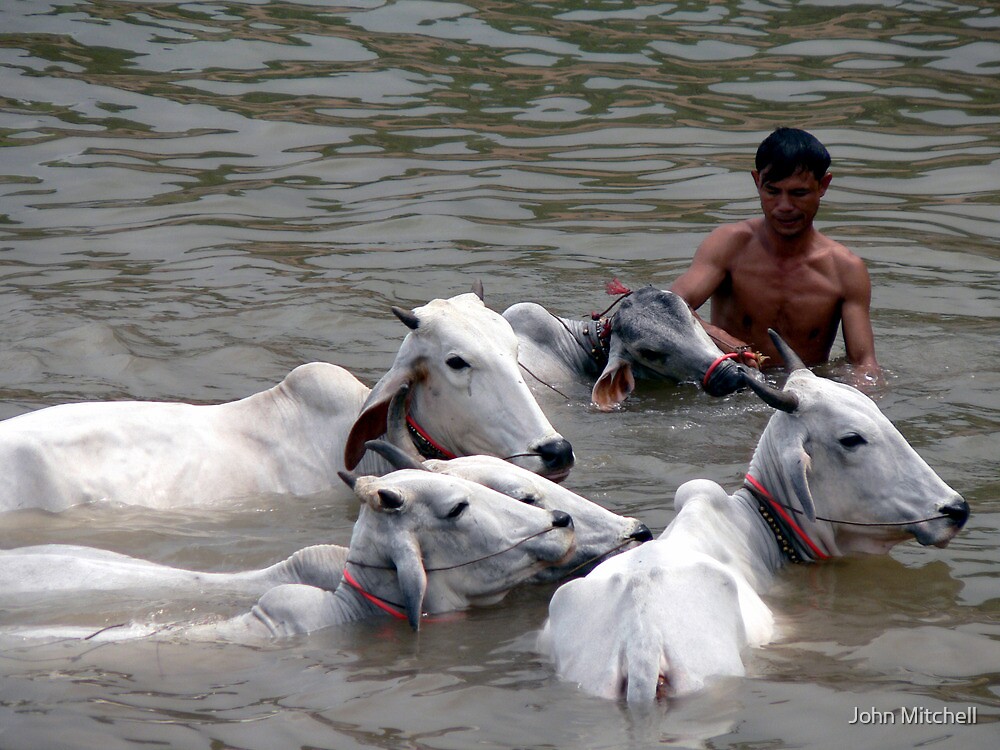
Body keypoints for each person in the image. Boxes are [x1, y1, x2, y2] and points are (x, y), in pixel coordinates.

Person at [670, 127, 880, 380]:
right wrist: (726, 342)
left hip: (804, 389)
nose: (784, 206)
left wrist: (862, 391)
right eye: (773, 191)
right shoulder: (729, 245)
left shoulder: (845, 270)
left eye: (798, 193)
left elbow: (864, 365)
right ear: (757, 181)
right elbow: (668, 307)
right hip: (731, 384)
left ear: (823, 185)